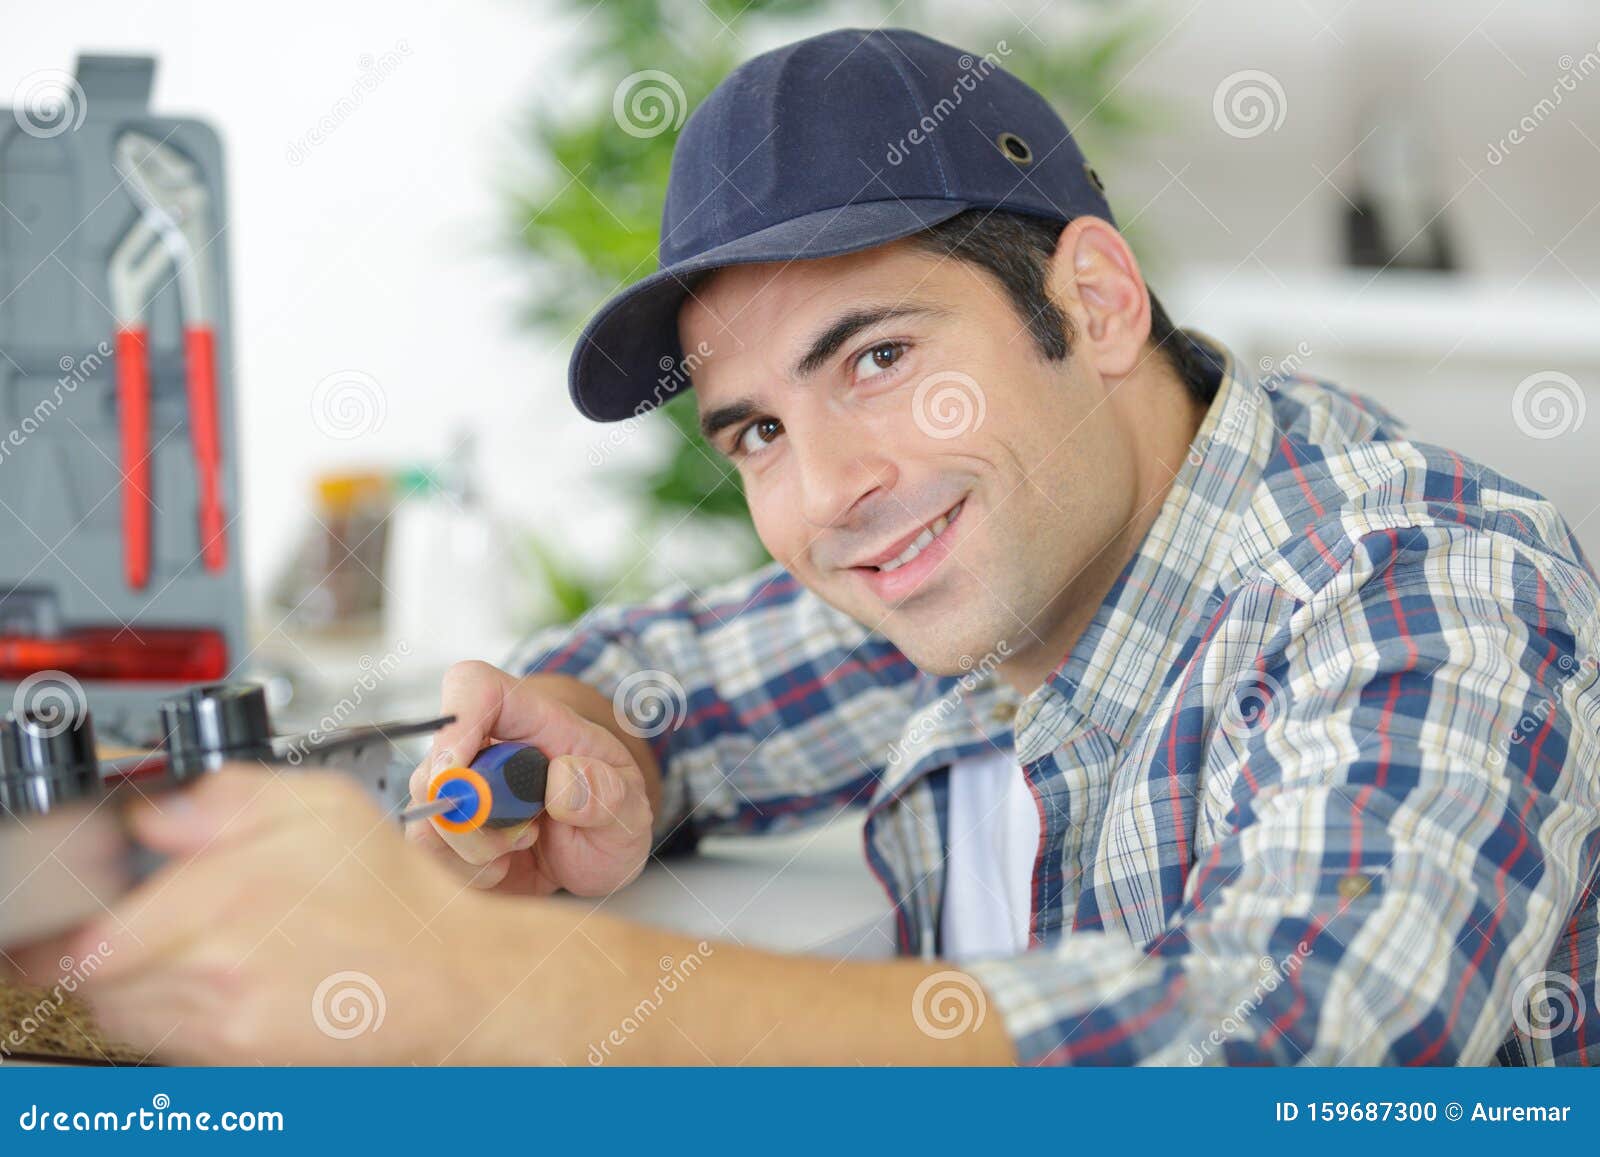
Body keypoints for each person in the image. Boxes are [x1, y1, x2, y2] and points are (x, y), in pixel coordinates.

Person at [13, 27, 1599, 1066]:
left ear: (1098, 302)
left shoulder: (1432, 584)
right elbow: (671, 679)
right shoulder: (978, 560)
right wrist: (597, 742)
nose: (829, 487)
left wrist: (497, 988)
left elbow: (1296, 1053)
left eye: (880, 358)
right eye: (758, 427)